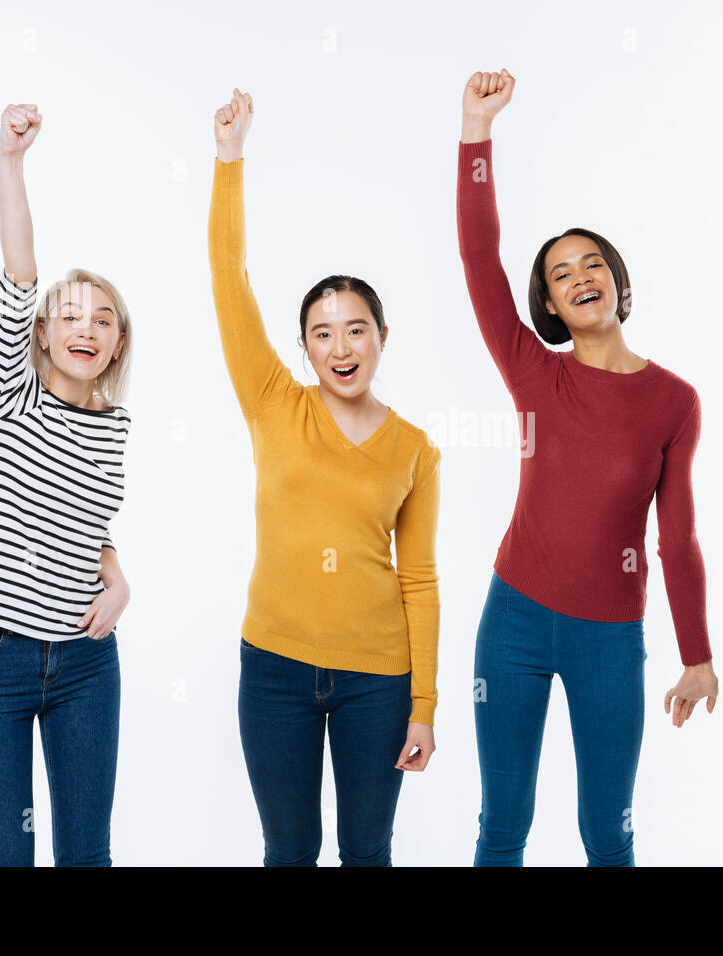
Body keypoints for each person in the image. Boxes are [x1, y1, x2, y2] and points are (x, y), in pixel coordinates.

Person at [457, 70, 718, 867]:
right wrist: (476, 132)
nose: (580, 276)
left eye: (592, 263)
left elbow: (678, 536)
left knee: (609, 834)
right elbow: (478, 252)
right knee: (503, 825)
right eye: (561, 273)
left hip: (610, 639)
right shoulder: (536, 373)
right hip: (514, 622)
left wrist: (698, 654)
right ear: (549, 304)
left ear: (616, 280)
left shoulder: (674, 400)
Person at [209, 88, 442, 867]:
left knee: (367, 851)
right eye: (321, 333)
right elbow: (227, 273)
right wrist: (230, 160)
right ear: (303, 347)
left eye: (355, 330)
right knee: (288, 848)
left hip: (378, 682)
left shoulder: (416, 449)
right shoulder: (274, 401)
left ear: (382, 338)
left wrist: (424, 706)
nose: (340, 348)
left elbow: (420, 582)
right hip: (272, 669)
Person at [0, 103, 133, 866]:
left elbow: (83, 519)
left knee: (87, 858)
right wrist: (11, 164)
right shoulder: (11, 392)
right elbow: (21, 273)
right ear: (45, 332)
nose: (85, 329)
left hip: (88, 666)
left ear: (118, 341)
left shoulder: (116, 426)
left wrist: (117, 576)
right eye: (71, 316)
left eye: (103, 320)